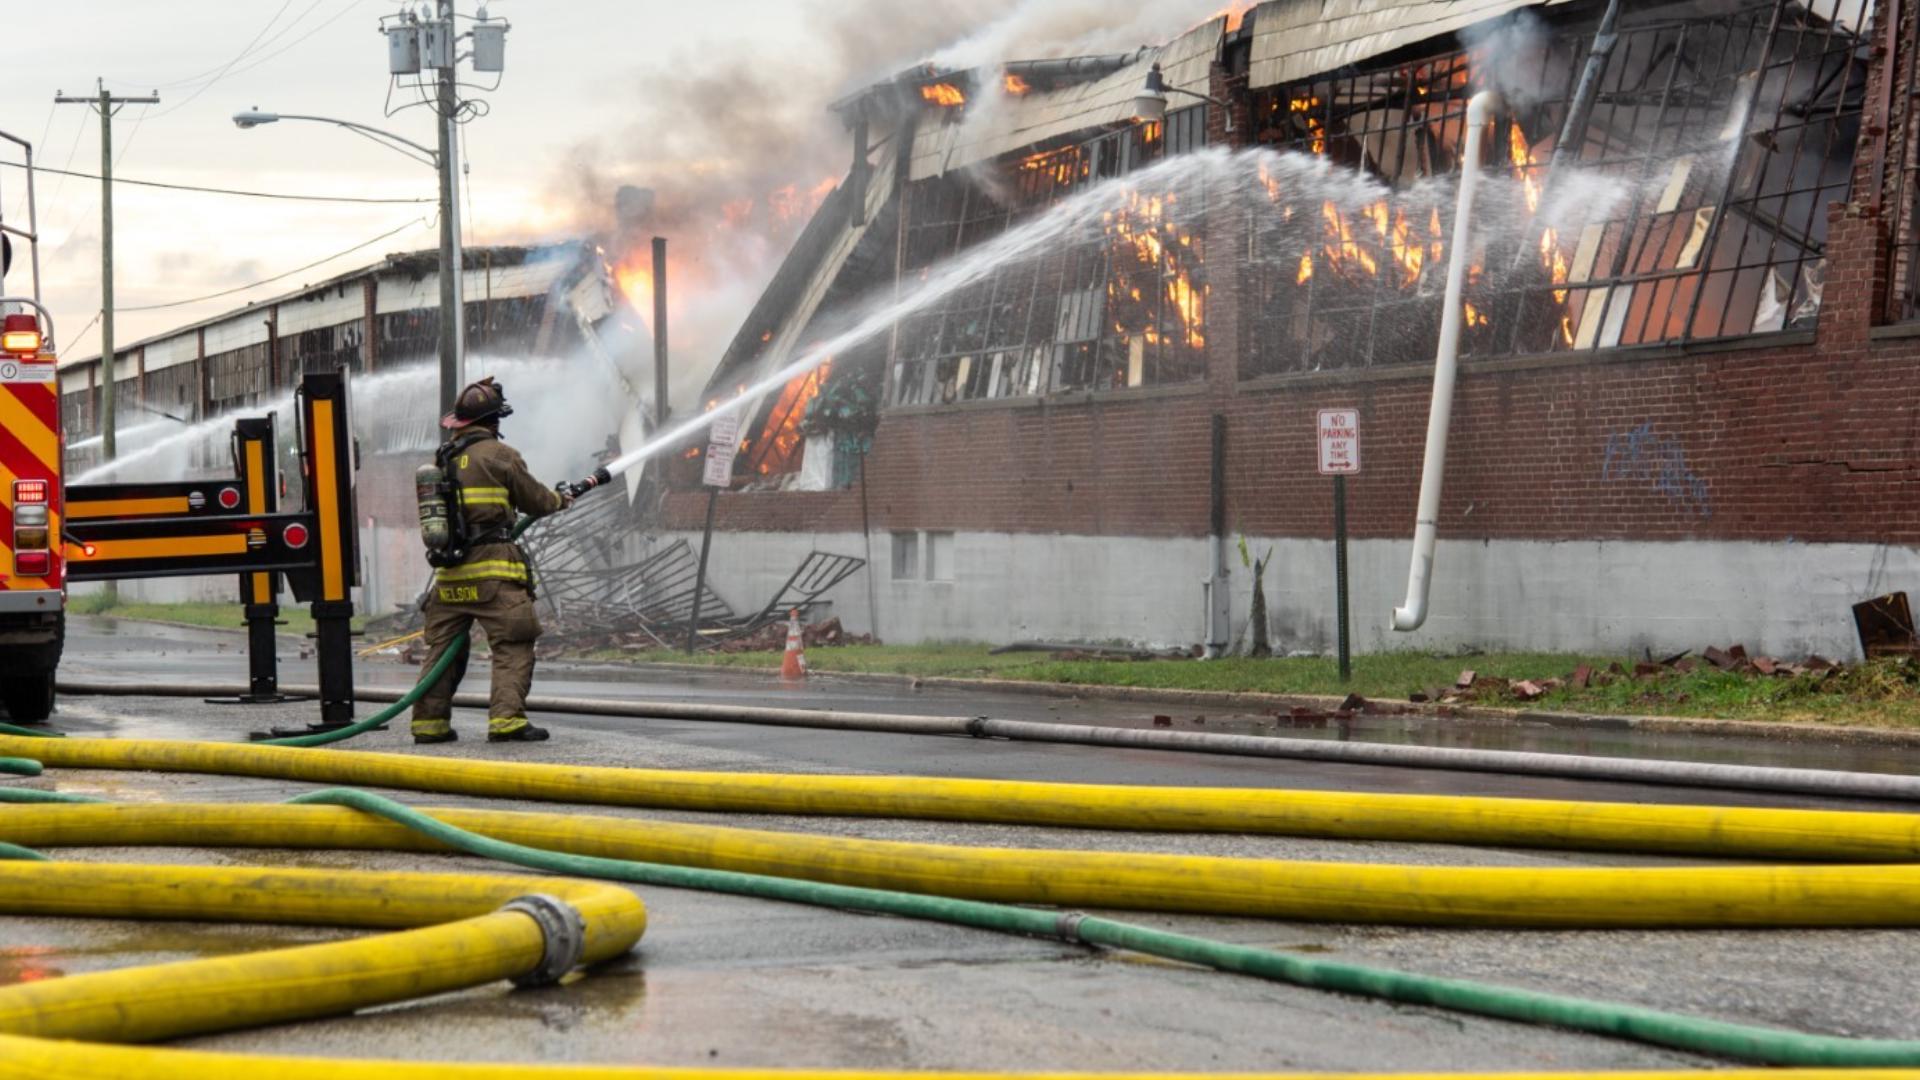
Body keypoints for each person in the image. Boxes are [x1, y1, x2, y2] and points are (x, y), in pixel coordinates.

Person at [411, 376, 572, 744]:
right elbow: (539, 502)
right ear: (494, 422)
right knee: (514, 642)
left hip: (449, 577)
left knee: (442, 650)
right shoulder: (501, 456)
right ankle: (506, 721)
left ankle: (428, 724)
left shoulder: (443, 458)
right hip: (493, 574)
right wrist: (561, 498)